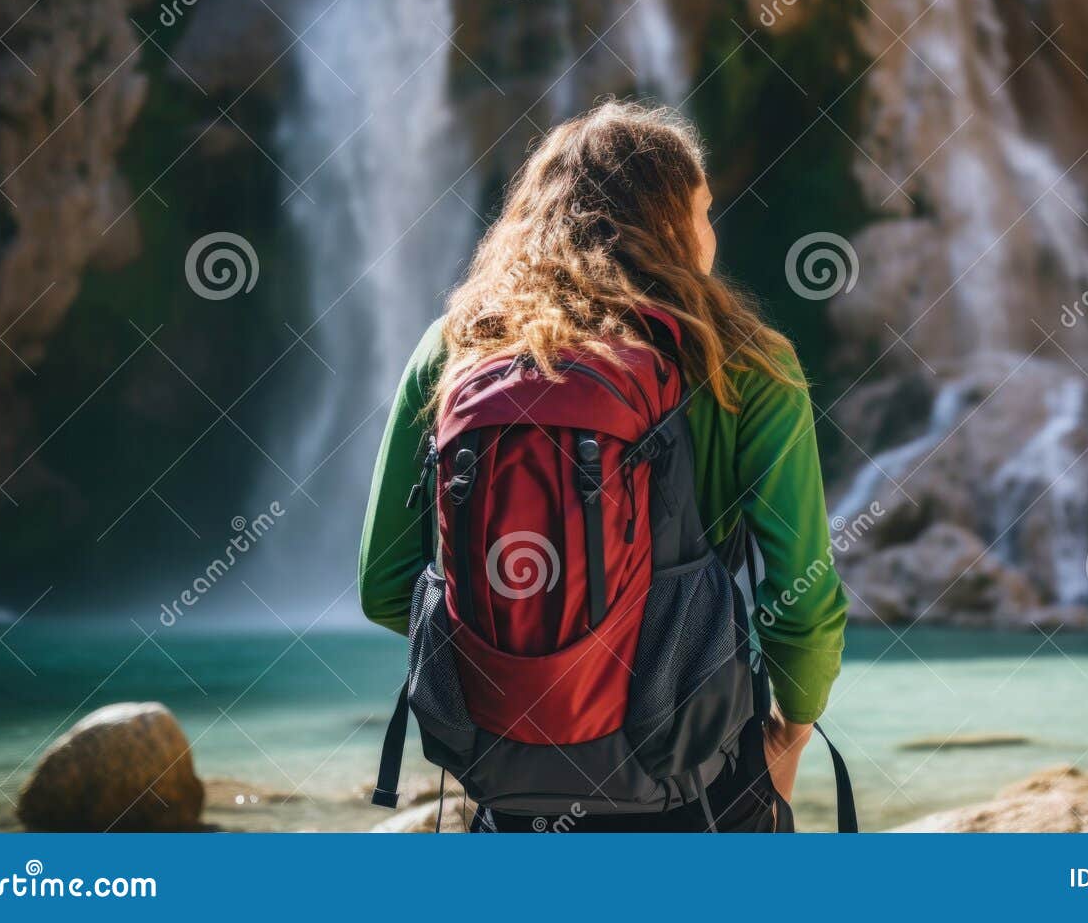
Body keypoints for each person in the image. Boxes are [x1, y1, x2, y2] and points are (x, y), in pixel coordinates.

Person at [359, 99, 846, 831]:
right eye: (704, 211)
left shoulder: (453, 348)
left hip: (509, 786)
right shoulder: (745, 361)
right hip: (698, 780)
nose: (712, 233)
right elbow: (803, 600)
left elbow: (385, 586)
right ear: (673, 225)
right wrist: (791, 726)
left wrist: (523, 665)